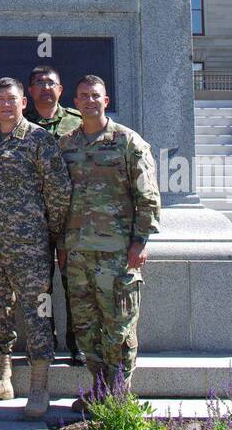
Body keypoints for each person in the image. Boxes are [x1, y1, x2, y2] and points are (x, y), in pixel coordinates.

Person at [0, 79, 72, 419]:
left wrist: (50, 234)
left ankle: (40, 387)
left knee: (36, 315)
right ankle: (1, 379)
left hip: (31, 248)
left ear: (23, 103)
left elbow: (58, 192)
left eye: (11, 99)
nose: (5, 105)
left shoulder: (39, 141)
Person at [60, 75, 161, 411]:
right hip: (78, 254)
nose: (89, 101)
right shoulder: (68, 145)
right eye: (83, 96)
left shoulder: (128, 142)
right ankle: (99, 388)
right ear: (75, 102)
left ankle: (119, 395)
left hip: (117, 254)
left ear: (106, 100)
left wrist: (140, 241)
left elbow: (147, 197)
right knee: (87, 327)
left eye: (95, 96)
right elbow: (58, 198)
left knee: (118, 326)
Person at [24, 65, 84, 367]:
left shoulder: (77, 122)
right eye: (39, 83)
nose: (45, 88)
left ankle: (78, 343)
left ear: (60, 90)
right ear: (30, 91)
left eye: (51, 83)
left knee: (74, 285)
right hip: (33, 221)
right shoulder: (20, 123)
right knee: (39, 289)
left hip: (72, 219)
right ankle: (45, 340)